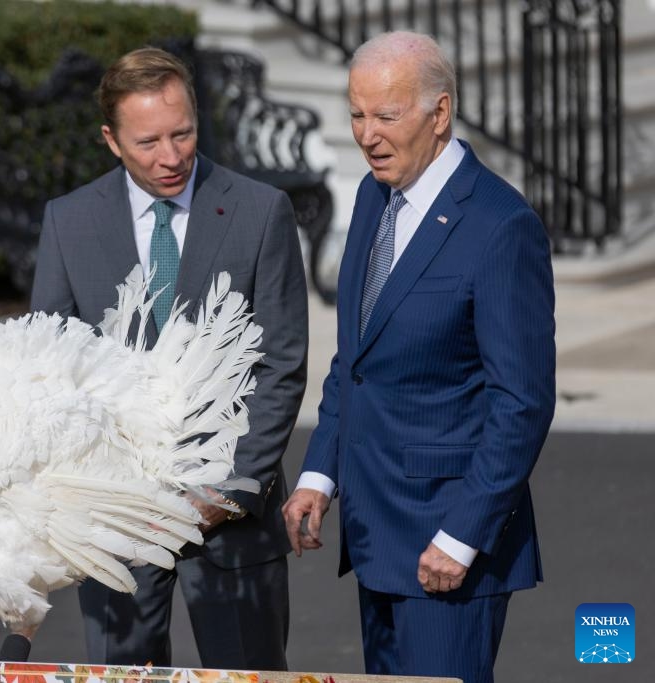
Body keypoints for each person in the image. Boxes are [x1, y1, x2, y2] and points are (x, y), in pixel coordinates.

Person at [282, 31, 555, 683]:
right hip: (377, 535)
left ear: (439, 113)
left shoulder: (500, 226)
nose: (366, 134)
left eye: (386, 115)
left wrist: (462, 534)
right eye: (356, 113)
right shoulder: (376, 195)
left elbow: (522, 403)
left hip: (449, 548)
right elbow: (360, 357)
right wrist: (320, 473)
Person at [30, 47, 308, 670]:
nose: (171, 156)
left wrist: (230, 489)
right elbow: (50, 368)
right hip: (115, 517)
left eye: (183, 133)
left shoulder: (261, 211)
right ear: (111, 140)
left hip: (233, 517)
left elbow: (282, 363)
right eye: (149, 141)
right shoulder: (69, 222)